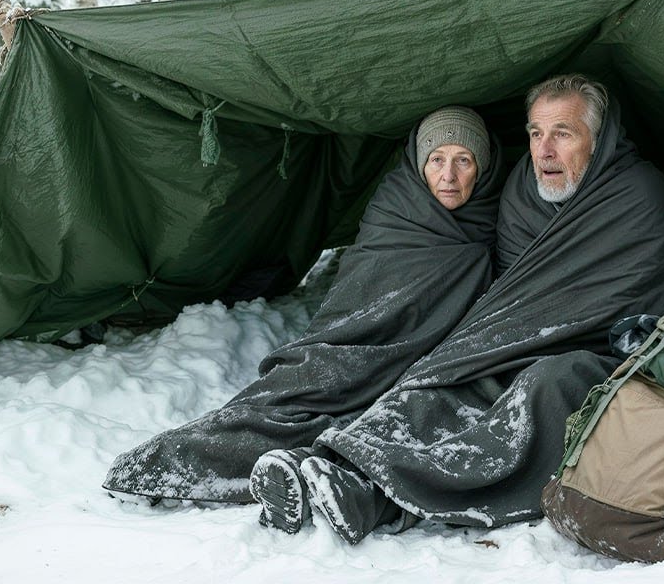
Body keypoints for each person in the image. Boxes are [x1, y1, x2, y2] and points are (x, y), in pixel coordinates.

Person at [254, 73, 664, 544]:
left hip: (598, 357)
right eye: (535, 134)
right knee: (446, 376)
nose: (544, 151)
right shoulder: (523, 193)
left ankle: (373, 497)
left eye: (563, 134)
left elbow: (656, 299)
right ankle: (335, 464)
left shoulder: (637, 195)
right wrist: (487, 345)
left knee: (541, 390)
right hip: (516, 340)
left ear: (599, 137)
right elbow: (512, 293)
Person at [103, 107, 506, 528]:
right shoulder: (395, 207)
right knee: (298, 393)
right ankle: (171, 460)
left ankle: (305, 472)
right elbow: (361, 292)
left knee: (395, 418)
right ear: (419, 161)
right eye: (437, 159)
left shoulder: (497, 218)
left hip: (428, 363)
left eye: (464, 159)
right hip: (354, 344)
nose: (448, 175)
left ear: (484, 165)